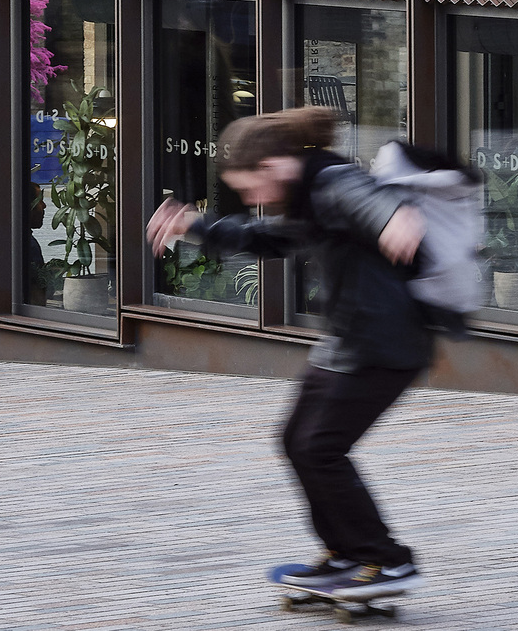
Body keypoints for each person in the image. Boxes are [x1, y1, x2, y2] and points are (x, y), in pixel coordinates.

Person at [146, 105, 430, 602]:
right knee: (297, 440)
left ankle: (387, 561)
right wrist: (197, 225)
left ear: (274, 166)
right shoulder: (305, 196)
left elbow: (369, 199)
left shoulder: (331, 182)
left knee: (320, 446)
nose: (254, 199)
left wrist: (395, 220)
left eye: (252, 188)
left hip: (384, 343)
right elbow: (267, 237)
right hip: (349, 341)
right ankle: (347, 553)